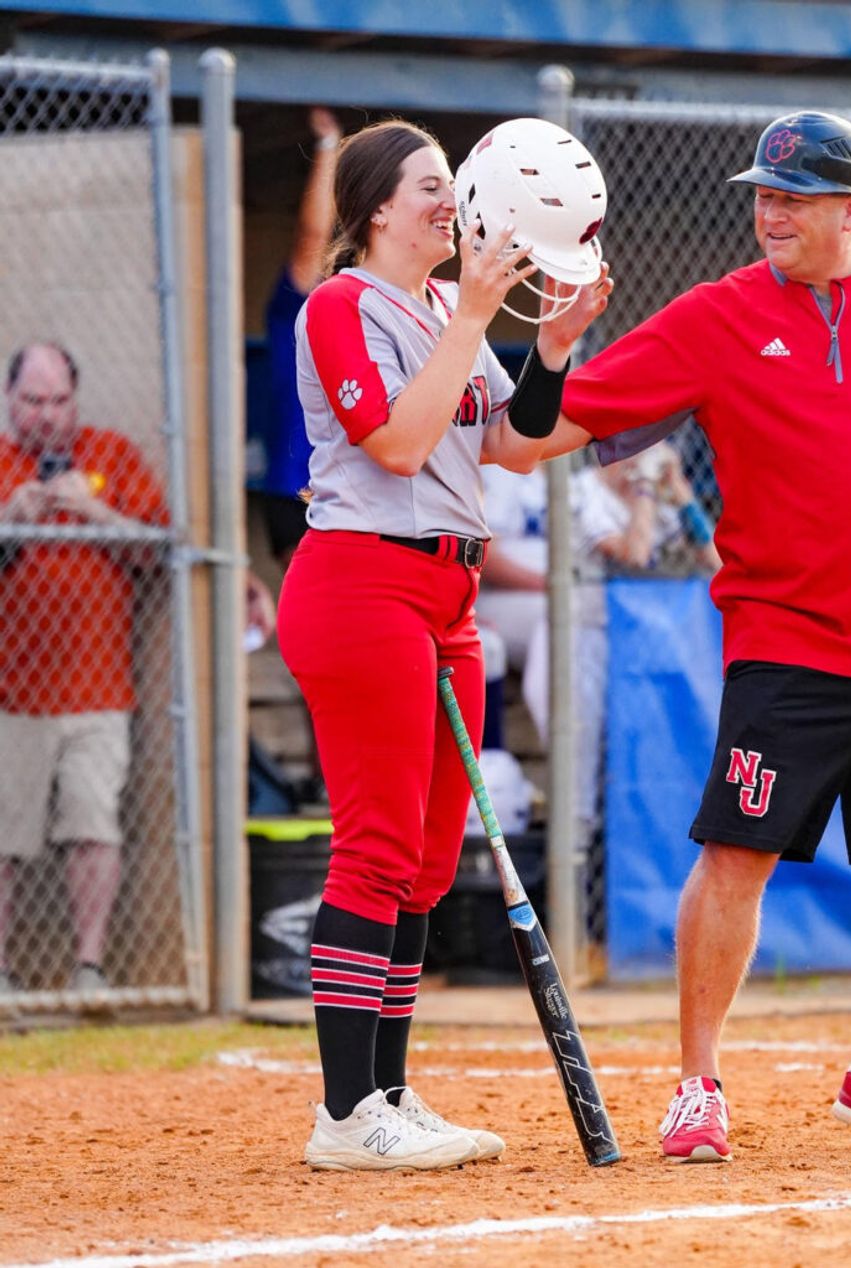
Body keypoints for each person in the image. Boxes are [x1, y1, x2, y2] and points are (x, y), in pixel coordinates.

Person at [538, 111, 851, 1160]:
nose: (768, 212)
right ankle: (696, 1086)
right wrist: (544, 351)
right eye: (763, 195)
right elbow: (530, 436)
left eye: (793, 196)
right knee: (737, 852)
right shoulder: (717, 314)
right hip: (785, 638)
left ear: (850, 210)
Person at [274, 118, 612, 1171]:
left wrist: (554, 343)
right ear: (376, 208)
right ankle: (344, 1116)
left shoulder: (437, 308)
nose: (452, 202)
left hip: (447, 594)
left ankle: (386, 1090)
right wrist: (473, 313)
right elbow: (400, 439)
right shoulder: (345, 306)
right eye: (431, 186)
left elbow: (512, 444)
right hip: (361, 580)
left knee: (425, 863)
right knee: (376, 846)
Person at [0, 343, 169, 999]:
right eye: (33, 401)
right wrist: (10, 522)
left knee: (93, 826)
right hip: (12, 693)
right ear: (12, 401)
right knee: (6, 838)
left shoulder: (111, 455)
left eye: (58, 401)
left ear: (76, 398)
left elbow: (157, 551)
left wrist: (93, 510)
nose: (46, 415)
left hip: (99, 689)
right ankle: (4, 974)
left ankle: (90, 969)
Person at [257, 106, 342, 572]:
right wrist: (329, 147)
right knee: (318, 601)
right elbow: (313, 237)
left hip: (351, 488)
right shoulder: (297, 310)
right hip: (297, 486)